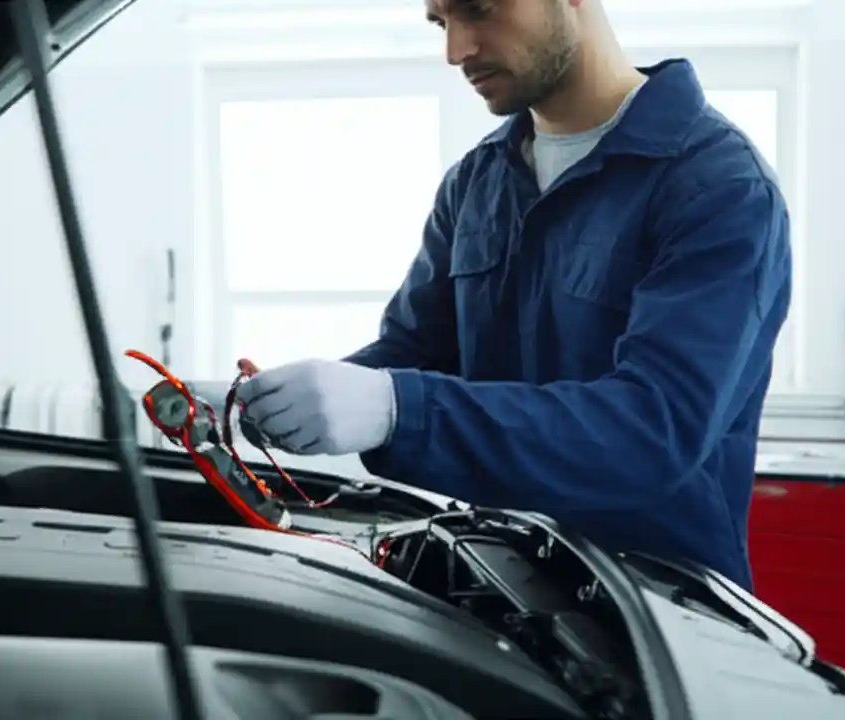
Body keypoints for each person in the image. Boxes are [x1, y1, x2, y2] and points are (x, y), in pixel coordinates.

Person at [234, 0, 791, 591]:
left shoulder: (719, 187)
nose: (456, 51)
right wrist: (282, 402)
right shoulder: (476, 181)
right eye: (441, 23)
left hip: (658, 610)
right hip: (498, 585)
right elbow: (414, 354)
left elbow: (653, 429)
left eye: (478, 11)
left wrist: (395, 407)